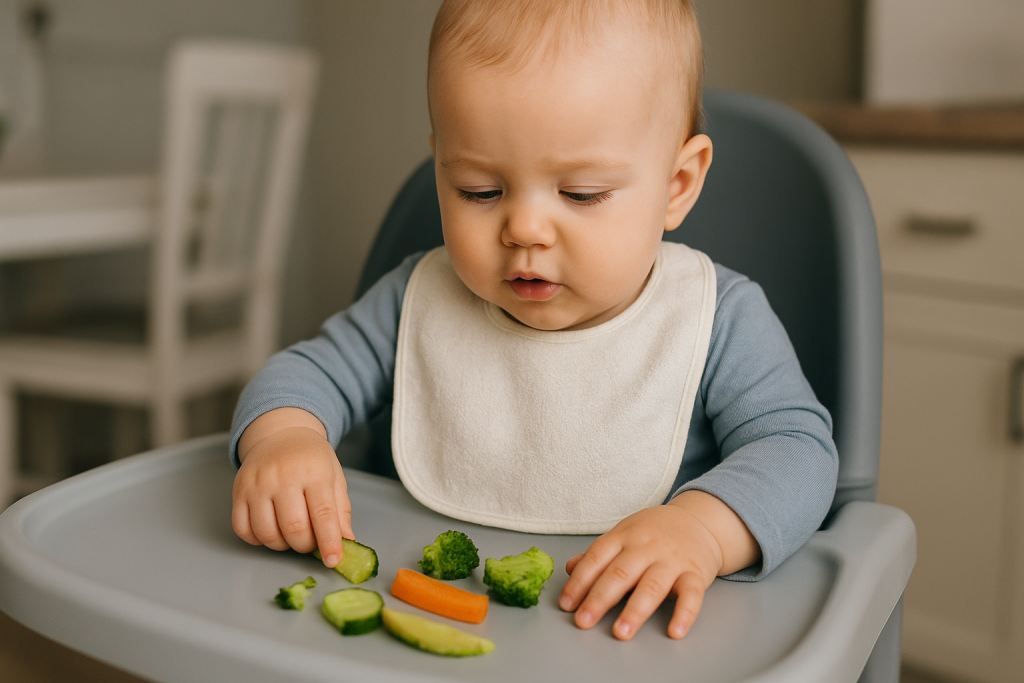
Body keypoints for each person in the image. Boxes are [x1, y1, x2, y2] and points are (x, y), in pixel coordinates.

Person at [230, 0, 837, 642]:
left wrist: (703, 530)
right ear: (440, 165)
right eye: (478, 191)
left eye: (580, 194)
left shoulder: (718, 318)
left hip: (625, 641)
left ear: (677, 184)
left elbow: (796, 451)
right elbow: (303, 375)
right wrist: (283, 440)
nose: (523, 228)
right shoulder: (416, 297)